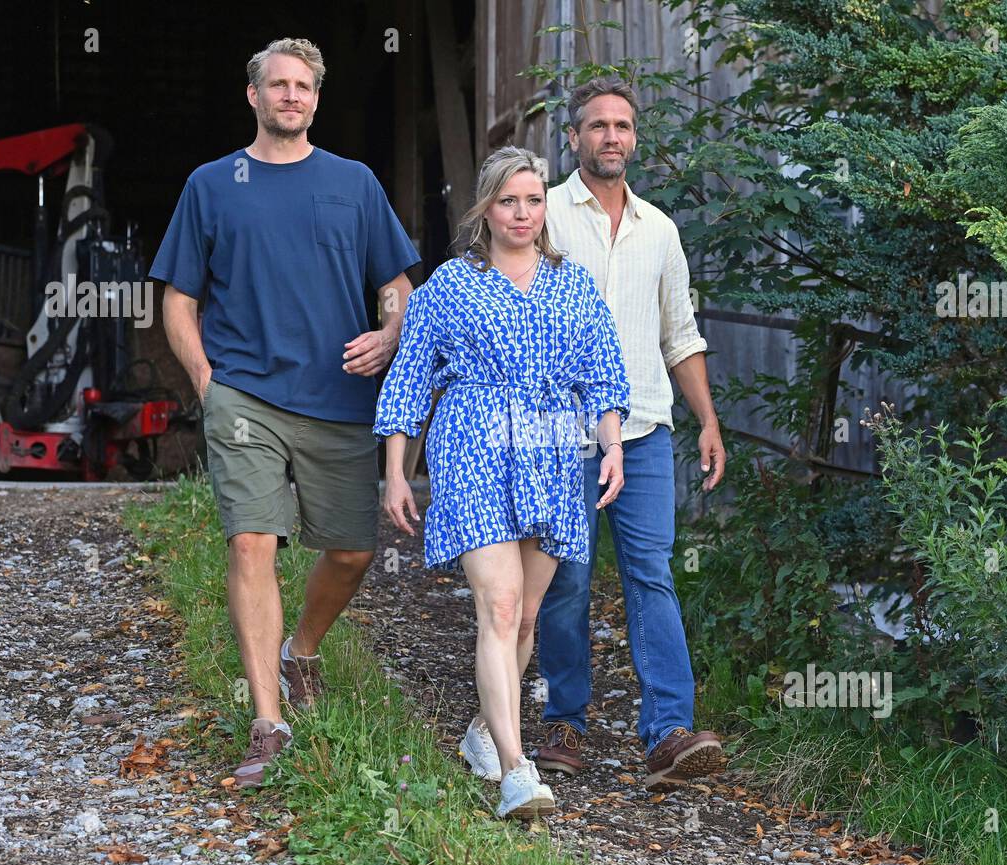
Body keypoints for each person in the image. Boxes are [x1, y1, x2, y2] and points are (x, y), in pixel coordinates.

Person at [149, 38, 420, 788]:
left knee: (353, 551)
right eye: (278, 85)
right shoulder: (212, 185)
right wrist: (206, 380)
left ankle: (300, 650)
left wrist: (393, 330)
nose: (291, 96)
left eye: (303, 87)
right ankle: (268, 721)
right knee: (251, 542)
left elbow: (396, 284)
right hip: (244, 393)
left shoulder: (353, 183)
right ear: (254, 95)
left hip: (337, 397)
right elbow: (177, 298)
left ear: (316, 99)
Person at [375, 145, 631, 819]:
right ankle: (517, 772)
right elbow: (408, 380)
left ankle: (488, 730)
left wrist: (611, 449)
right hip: (474, 448)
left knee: (524, 617)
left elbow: (604, 374)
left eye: (533, 199)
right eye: (508, 200)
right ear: (485, 207)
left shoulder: (572, 283)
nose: (522, 213)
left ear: (545, 207)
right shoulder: (450, 286)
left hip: (553, 450)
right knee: (499, 606)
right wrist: (396, 472)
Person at [536, 77, 729, 790]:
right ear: (573, 137)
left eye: (621, 126)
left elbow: (681, 334)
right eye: (597, 126)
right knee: (569, 578)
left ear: (634, 138)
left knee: (653, 575)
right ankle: (564, 719)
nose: (610, 137)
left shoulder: (660, 229)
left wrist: (707, 421)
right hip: (565, 432)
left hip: (646, 428)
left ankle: (669, 733)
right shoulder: (545, 213)